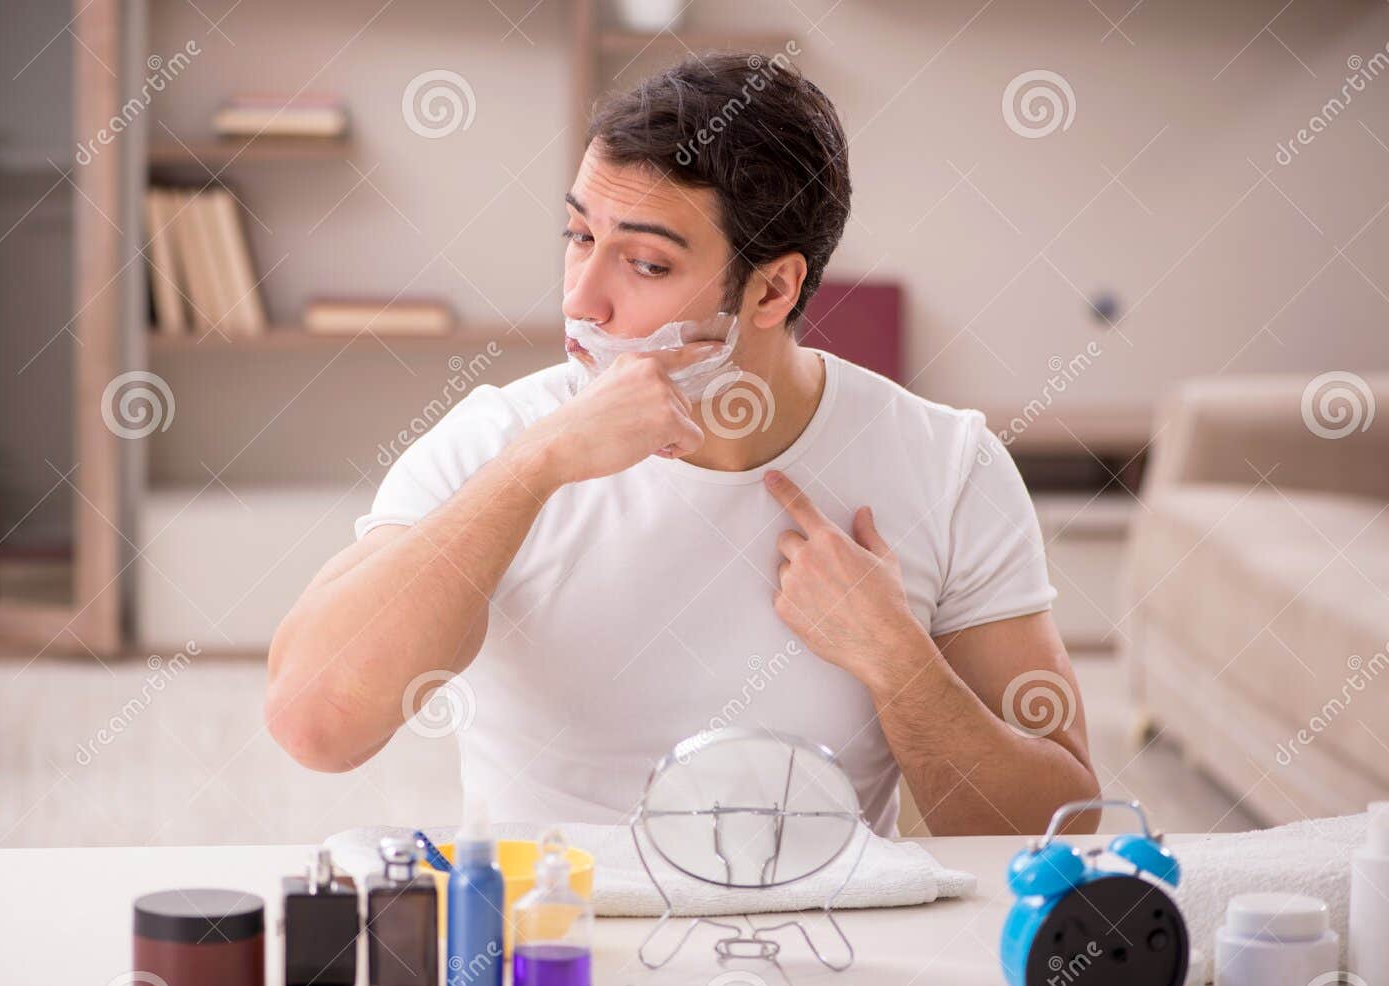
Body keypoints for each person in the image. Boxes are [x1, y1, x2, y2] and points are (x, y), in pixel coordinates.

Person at [267, 53, 1099, 836]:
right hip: (558, 958)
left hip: (825, 956)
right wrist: (534, 468)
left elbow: (1061, 832)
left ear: (773, 288)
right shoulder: (495, 442)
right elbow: (315, 725)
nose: (584, 300)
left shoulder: (948, 467)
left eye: (648, 265)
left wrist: (896, 660)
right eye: (579, 238)